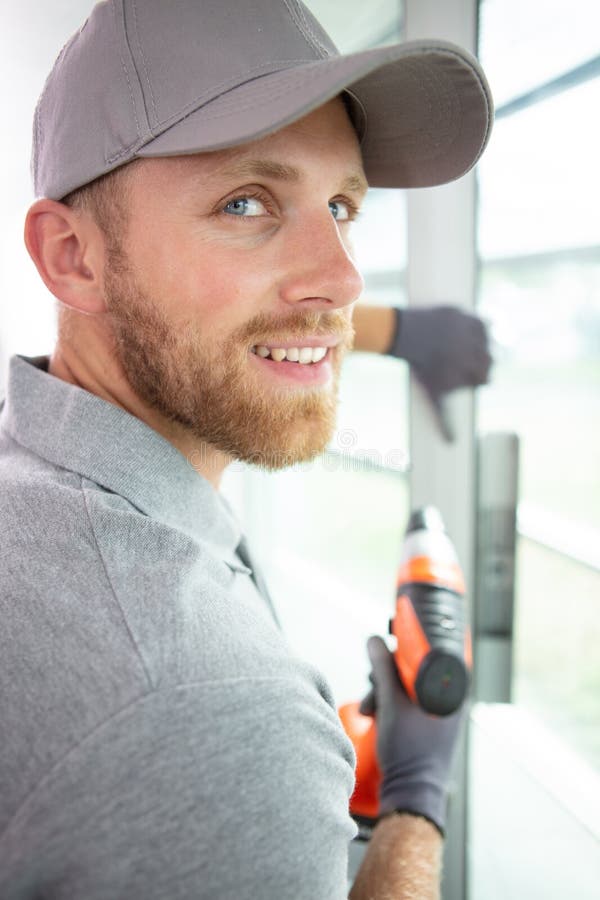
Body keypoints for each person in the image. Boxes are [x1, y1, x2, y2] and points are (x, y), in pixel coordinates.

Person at [0, 1, 493, 897]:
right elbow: (181, 730)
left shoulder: (26, 483)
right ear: (72, 257)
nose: (343, 276)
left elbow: (216, 311)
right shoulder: (199, 702)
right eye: (246, 201)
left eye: (343, 204)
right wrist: (418, 803)